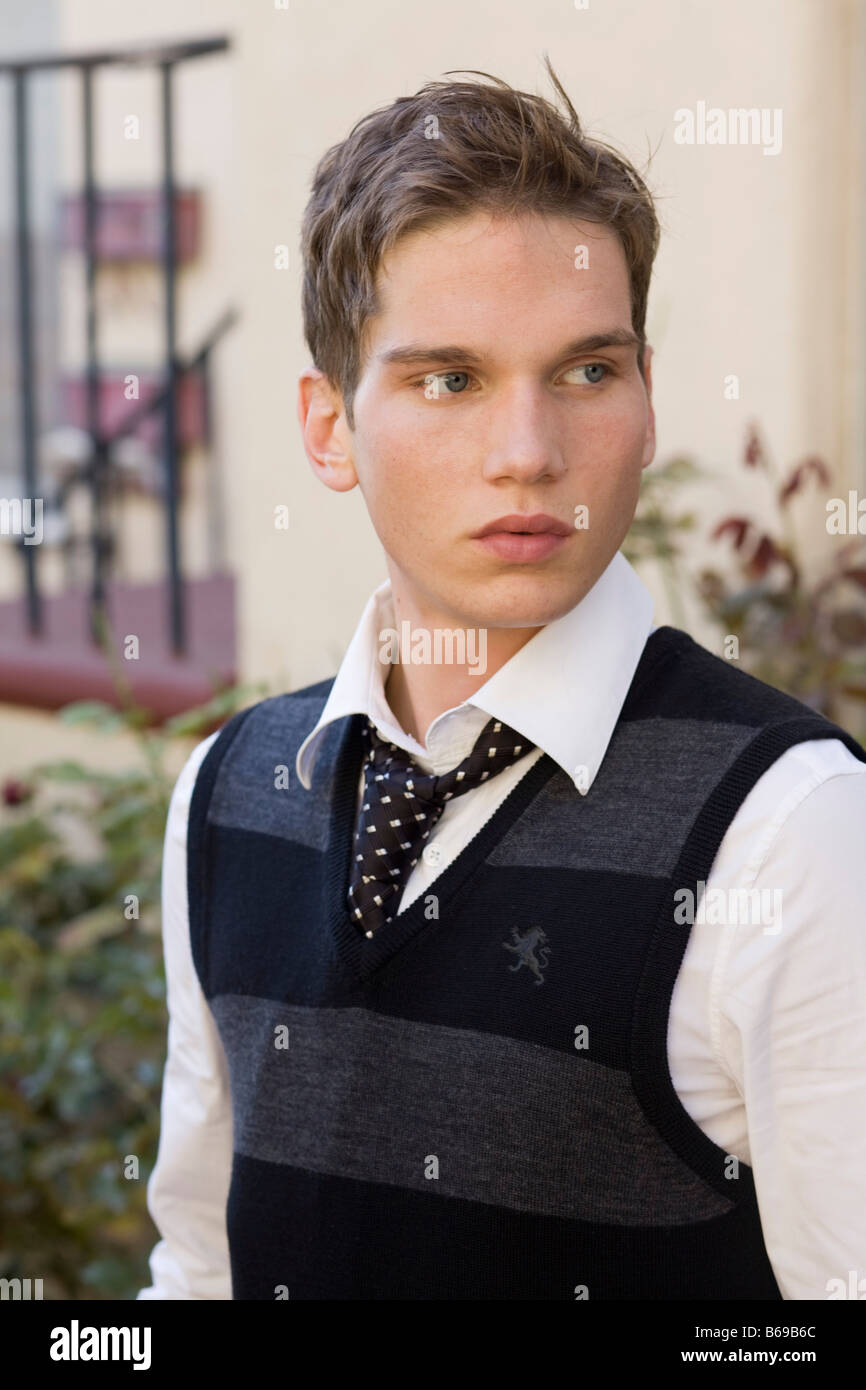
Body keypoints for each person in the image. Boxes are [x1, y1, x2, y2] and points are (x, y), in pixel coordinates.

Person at [137, 59, 866, 1300]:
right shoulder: (227, 792)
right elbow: (199, 1265)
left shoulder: (789, 828)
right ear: (328, 428)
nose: (528, 455)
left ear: (644, 401)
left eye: (586, 370)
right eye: (449, 380)